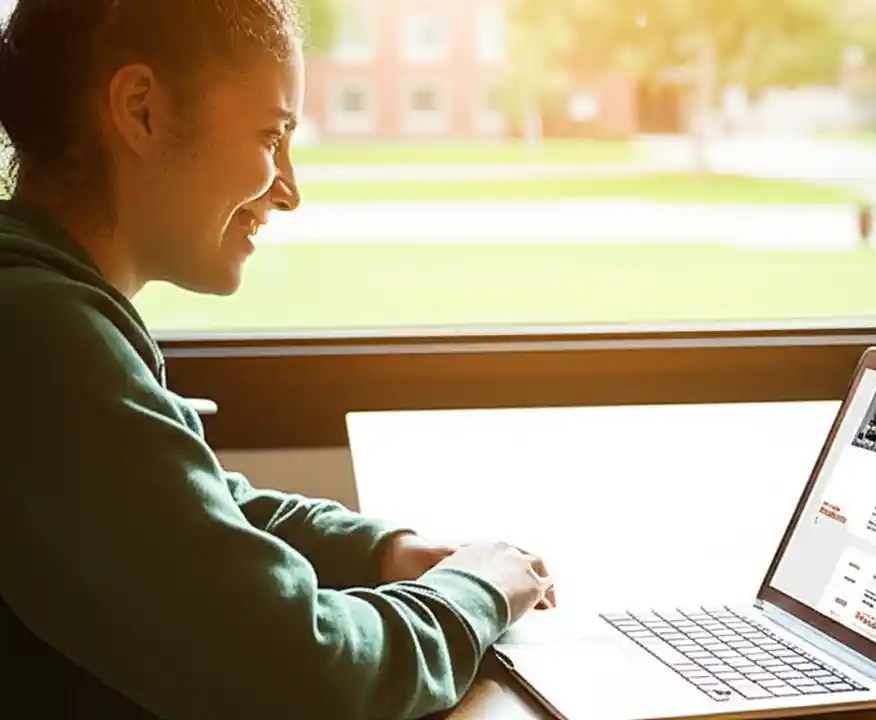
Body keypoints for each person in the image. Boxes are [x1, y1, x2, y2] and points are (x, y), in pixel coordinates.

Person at [0, 2, 555, 718]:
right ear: (141, 110)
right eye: (272, 136)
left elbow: (183, 503)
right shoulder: (42, 339)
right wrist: (477, 592)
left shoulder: (44, 306)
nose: (288, 191)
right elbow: (301, 670)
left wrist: (382, 554)